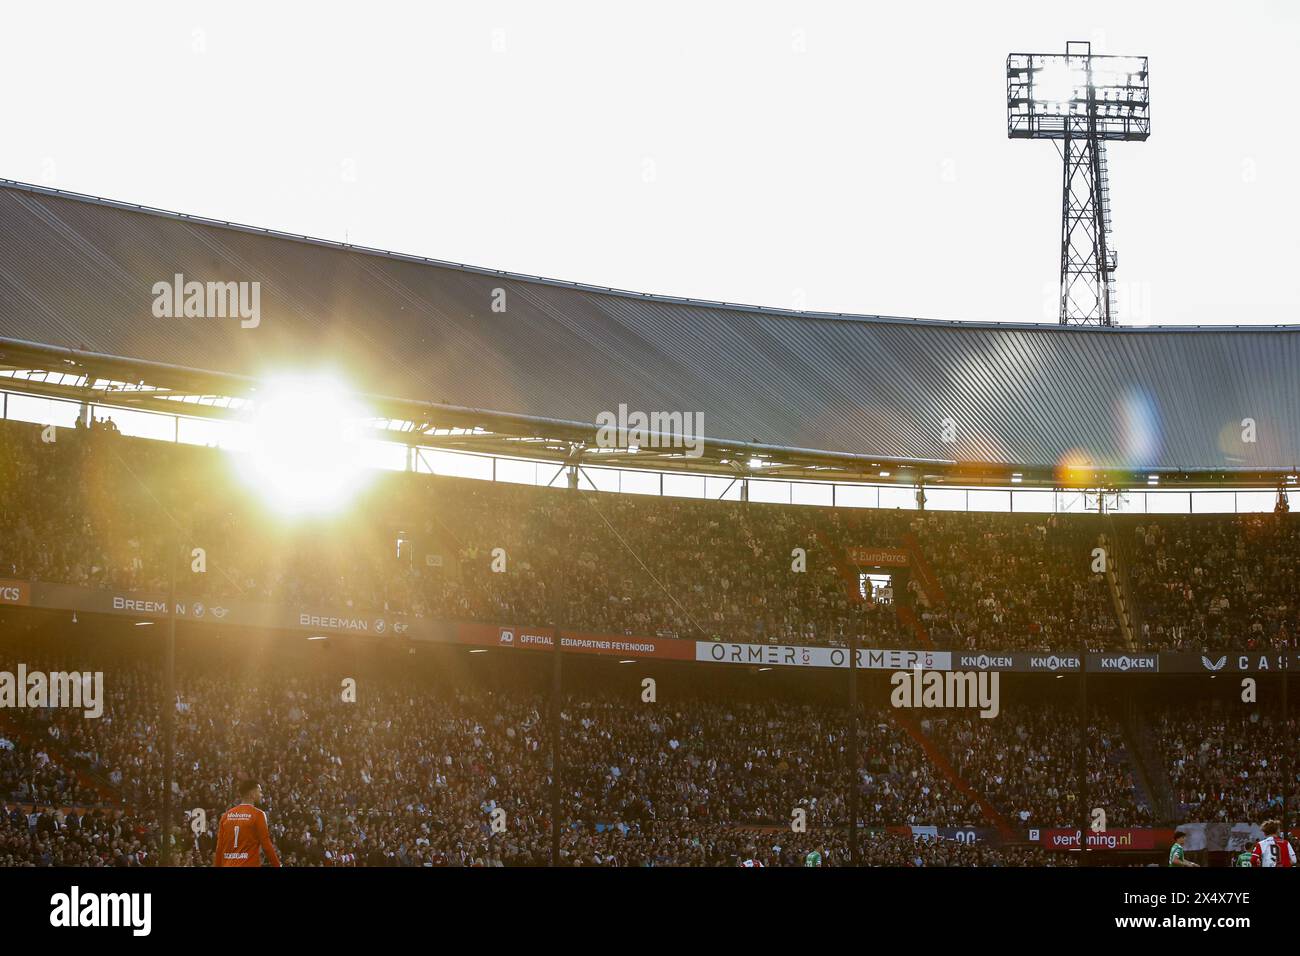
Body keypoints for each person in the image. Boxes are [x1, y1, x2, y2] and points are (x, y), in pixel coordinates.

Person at [214, 780, 282, 867]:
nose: (261, 795)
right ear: (252, 794)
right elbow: (266, 846)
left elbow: (219, 848)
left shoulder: (226, 816)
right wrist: (277, 865)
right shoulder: (258, 815)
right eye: (259, 792)